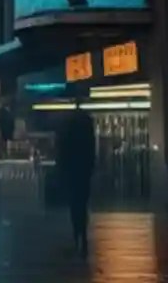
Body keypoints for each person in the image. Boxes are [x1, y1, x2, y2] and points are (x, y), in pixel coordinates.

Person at [57, 106, 96, 255]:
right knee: (82, 202)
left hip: (71, 171)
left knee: (74, 203)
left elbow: (62, 152)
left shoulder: (67, 134)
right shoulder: (87, 134)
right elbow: (92, 151)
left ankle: (77, 233)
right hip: (84, 171)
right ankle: (83, 233)